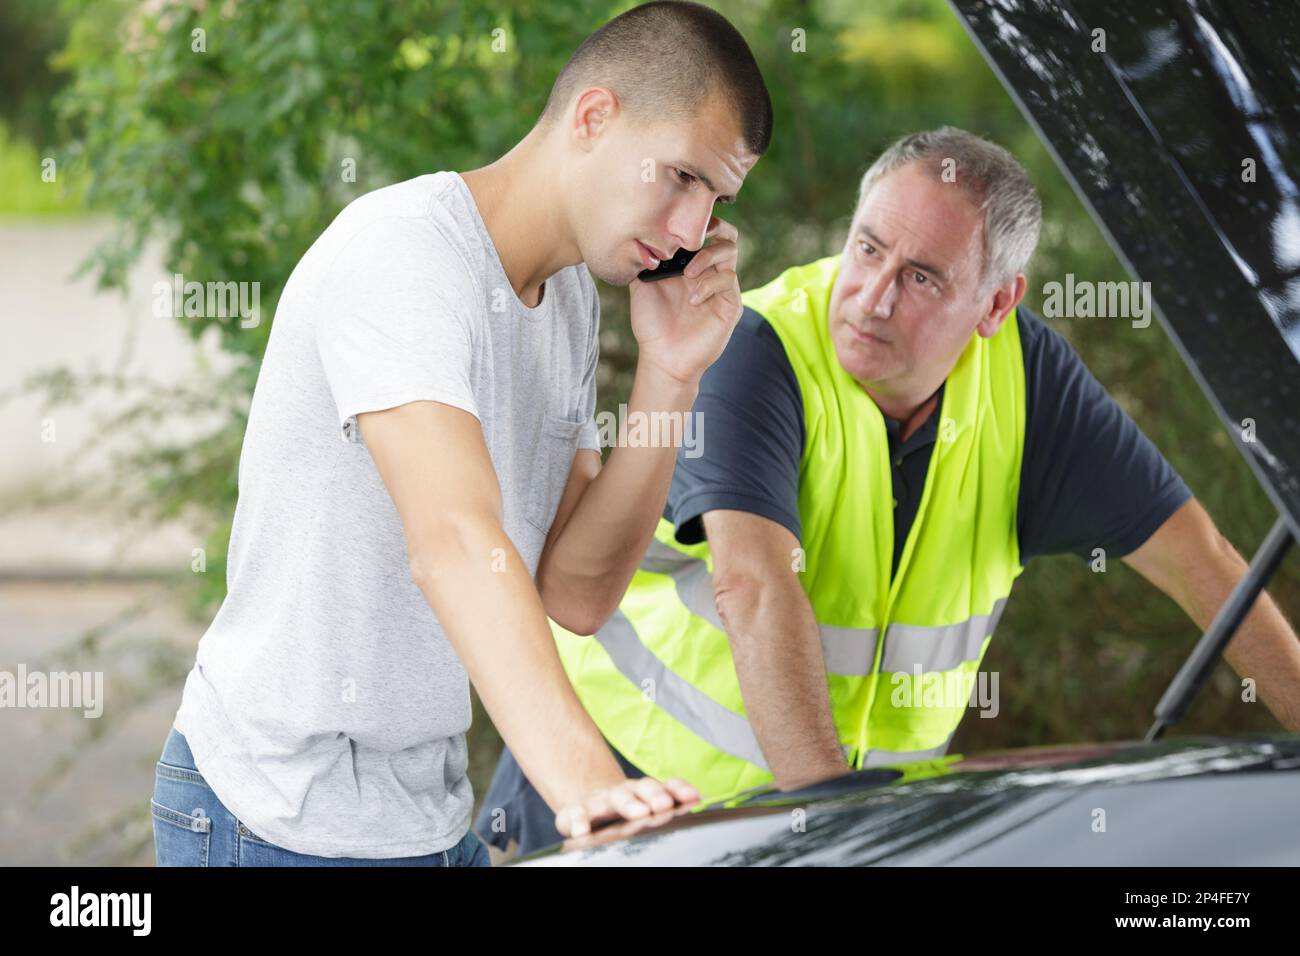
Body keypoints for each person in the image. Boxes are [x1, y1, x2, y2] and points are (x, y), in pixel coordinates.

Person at [479, 126, 1300, 857]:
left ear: (997, 303)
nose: (871, 298)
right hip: (621, 799)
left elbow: (1204, 562)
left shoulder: (1031, 387)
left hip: (857, 824)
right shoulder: (751, 349)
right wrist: (836, 832)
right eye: (867, 250)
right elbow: (754, 586)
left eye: (922, 279)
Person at [152, 0, 772, 866]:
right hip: (276, 815)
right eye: (680, 177)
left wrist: (672, 373)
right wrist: (590, 784)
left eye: (714, 200)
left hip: (430, 816)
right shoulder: (403, 255)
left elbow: (575, 593)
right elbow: (454, 538)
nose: (689, 233)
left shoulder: (566, 301)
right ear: (594, 117)